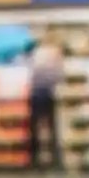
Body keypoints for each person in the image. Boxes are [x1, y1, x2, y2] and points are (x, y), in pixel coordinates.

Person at [29, 33, 64, 169]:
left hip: (36, 92)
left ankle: (35, 158)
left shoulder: (36, 53)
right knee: (51, 126)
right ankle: (55, 159)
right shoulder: (55, 53)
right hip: (49, 93)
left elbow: (31, 72)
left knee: (35, 127)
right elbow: (59, 75)